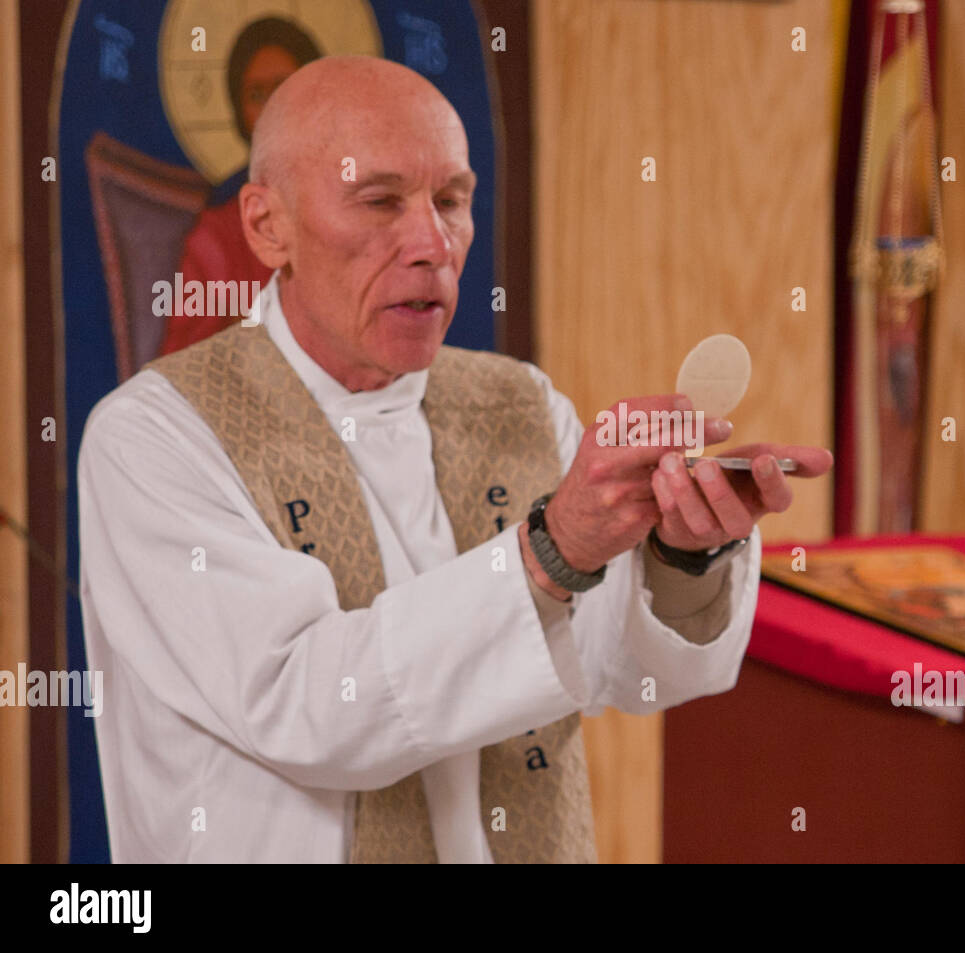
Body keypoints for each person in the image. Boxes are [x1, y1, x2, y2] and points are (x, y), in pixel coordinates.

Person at [78, 55, 832, 862]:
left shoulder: (518, 404)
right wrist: (549, 554)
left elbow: (623, 670)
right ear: (268, 226)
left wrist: (684, 553)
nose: (432, 244)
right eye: (380, 202)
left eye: (452, 201)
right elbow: (306, 705)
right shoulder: (156, 437)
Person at [158, 17, 321, 355]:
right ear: (239, 109)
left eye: (284, 88)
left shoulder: (358, 208)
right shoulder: (217, 237)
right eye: (257, 94)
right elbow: (183, 363)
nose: (272, 107)